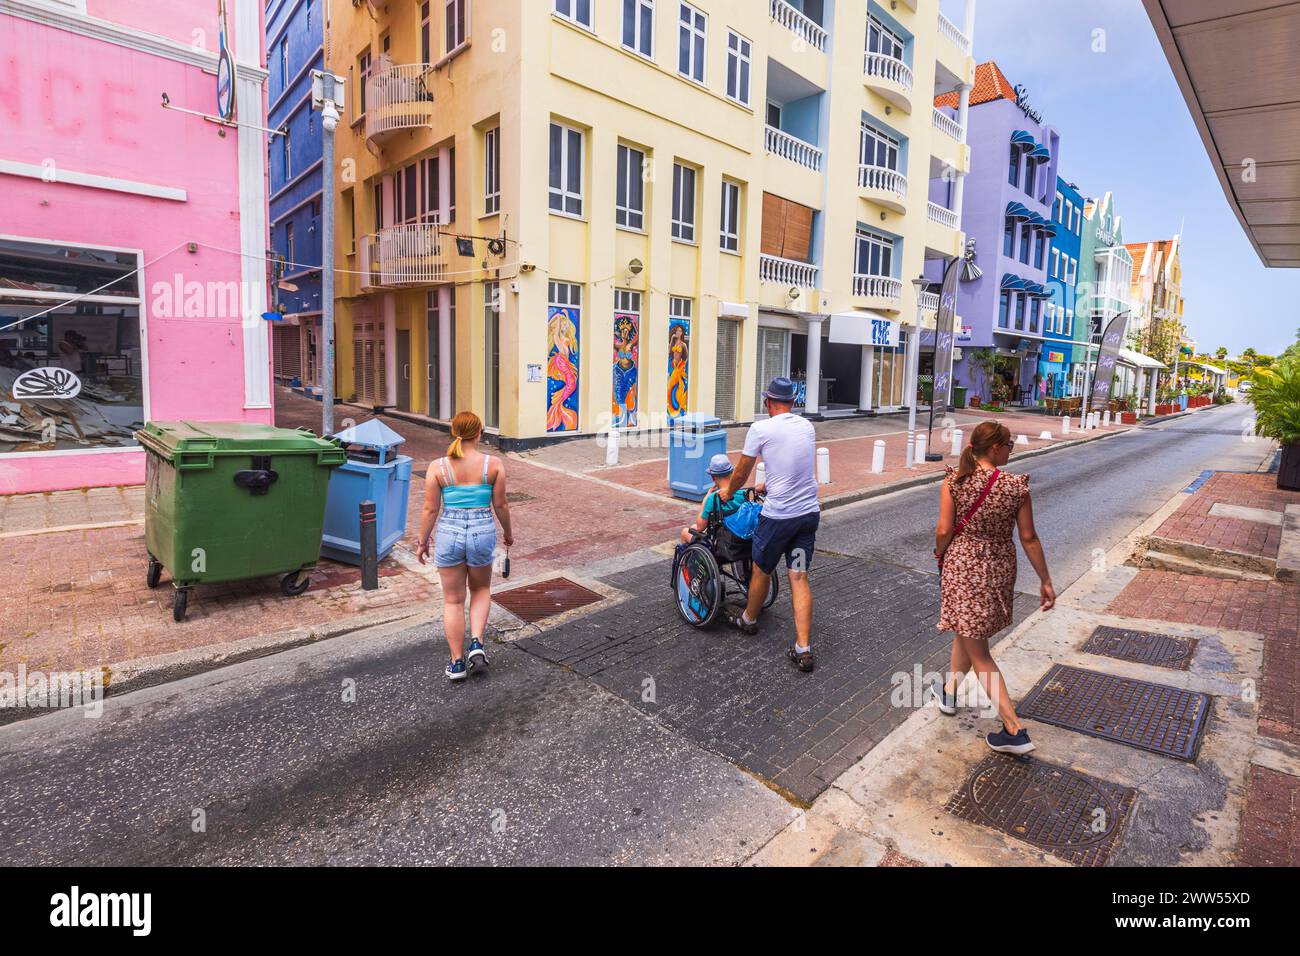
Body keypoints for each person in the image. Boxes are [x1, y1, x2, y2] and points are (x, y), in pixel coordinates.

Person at [931, 420, 1055, 754]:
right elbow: (1028, 537)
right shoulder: (1016, 487)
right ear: (996, 449)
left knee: (979, 650)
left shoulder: (954, 481)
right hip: (999, 567)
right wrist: (1045, 579)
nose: (1011, 451)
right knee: (968, 631)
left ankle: (1014, 730)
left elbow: (944, 530)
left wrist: (940, 553)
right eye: (1009, 446)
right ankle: (949, 692)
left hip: (963, 566)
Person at [720, 377, 820, 673]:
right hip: (807, 516)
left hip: (778, 518)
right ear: (792, 402)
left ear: (768, 402)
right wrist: (769, 483)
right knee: (798, 576)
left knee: (761, 567)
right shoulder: (807, 426)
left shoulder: (760, 428)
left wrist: (728, 491)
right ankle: (803, 647)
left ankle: (748, 619)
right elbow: (794, 465)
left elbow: (740, 471)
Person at [417, 411, 515, 683]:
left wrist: (423, 541)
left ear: (453, 432)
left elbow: (430, 508)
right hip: (483, 531)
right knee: (481, 589)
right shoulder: (492, 464)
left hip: (449, 532)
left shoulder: (438, 467)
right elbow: (501, 505)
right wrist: (508, 533)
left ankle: (457, 662)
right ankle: (476, 644)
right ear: (480, 433)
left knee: (453, 599)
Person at [679, 454, 751, 545]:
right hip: (740, 539)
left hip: (721, 543)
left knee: (685, 532)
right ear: (732, 472)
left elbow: (700, 526)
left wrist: (705, 499)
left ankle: (687, 558)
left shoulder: (713, 498)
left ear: (713, 477)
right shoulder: (742, 493)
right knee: (693, 527)